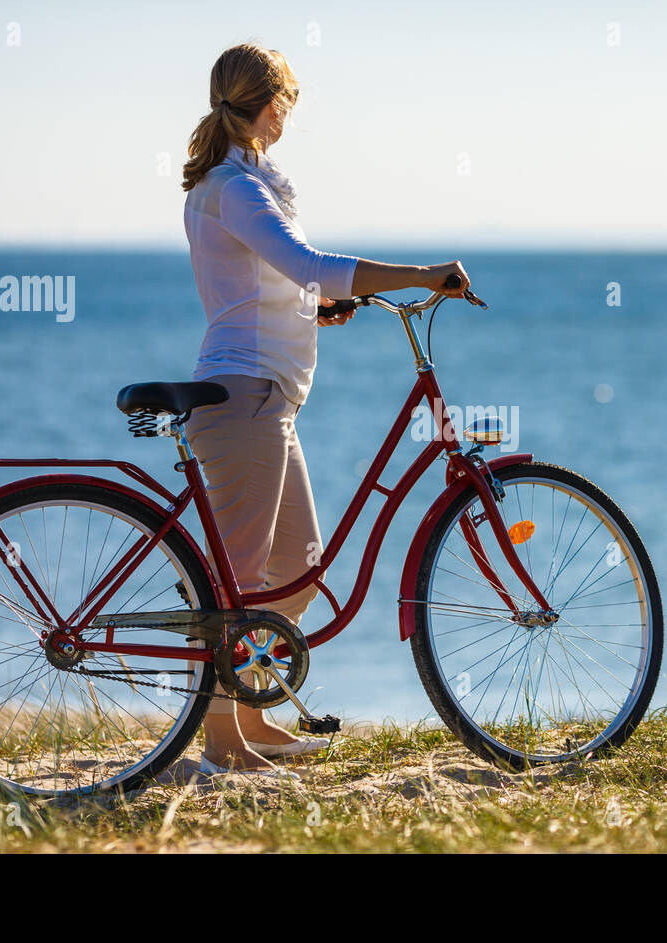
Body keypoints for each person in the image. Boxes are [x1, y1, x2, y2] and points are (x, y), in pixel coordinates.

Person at [180, 43, 469, 777]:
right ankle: (220, 743)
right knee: (241, 578)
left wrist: (322, 306)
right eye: (290, 103)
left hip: (265, 396)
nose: (291, 116)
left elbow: (267, 282)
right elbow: (304, 263)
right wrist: (422, 272)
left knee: (299, 565)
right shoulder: (235, 188)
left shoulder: (241, 183)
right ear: (272, 104)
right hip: (243, 397)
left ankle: (253, 715)